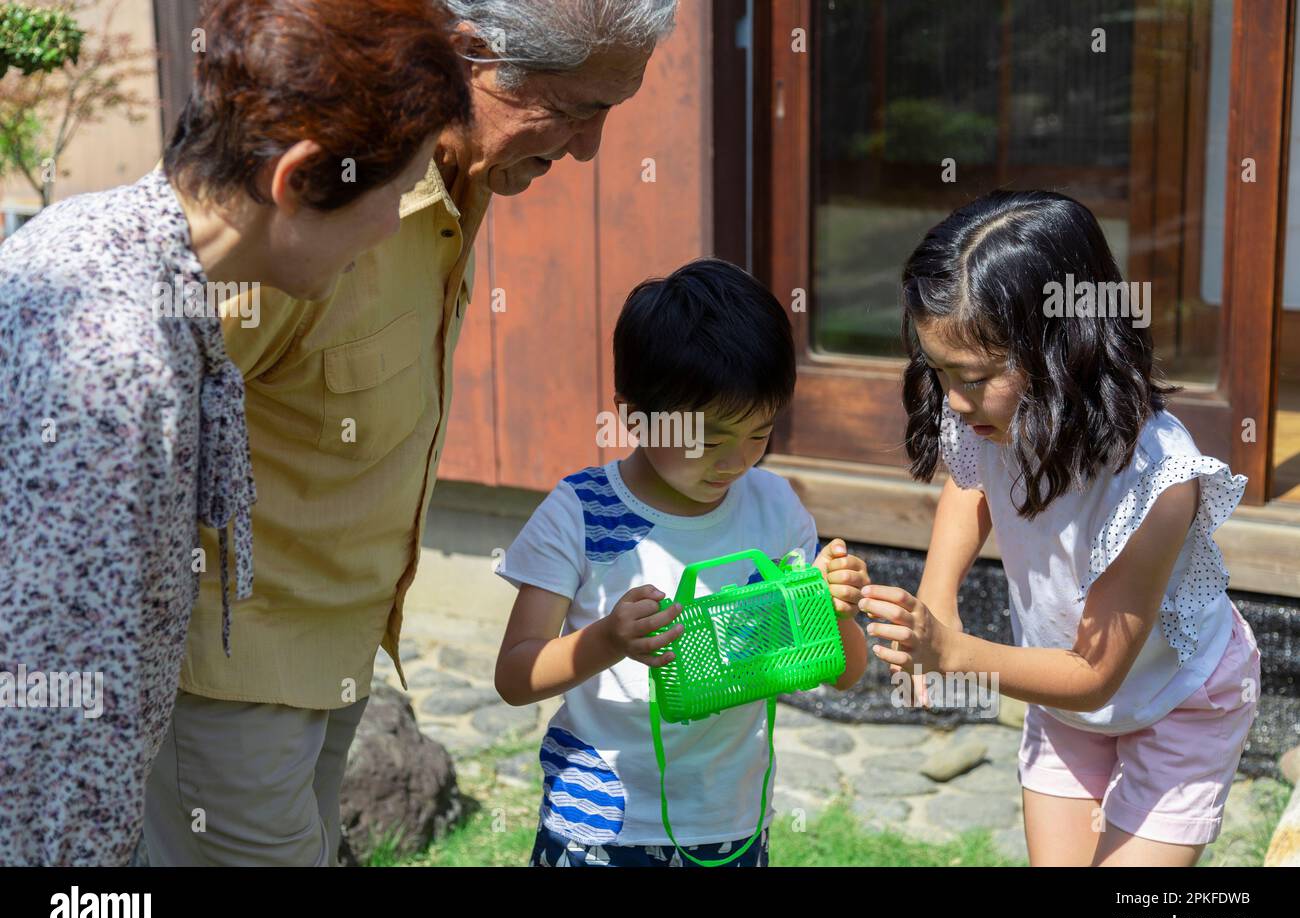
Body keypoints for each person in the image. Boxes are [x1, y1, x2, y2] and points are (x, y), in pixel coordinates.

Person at [144, 0, 680, 867]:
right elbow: (132, 454)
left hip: (342, 643)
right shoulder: (314, 207)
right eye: (580, 109)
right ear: (473, 58)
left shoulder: (465, 163)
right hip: (227, 681)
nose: (590, 149)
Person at [0, 0, 470, 867]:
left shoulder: (107, 241)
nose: (391, 230)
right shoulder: (118, 365)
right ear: (296, 179)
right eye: (394, 197)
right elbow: (49, 735)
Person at [861, 190, 1259, 866]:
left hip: (1178, 701)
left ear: (1064, 350)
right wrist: (938, 589)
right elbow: (970, 482)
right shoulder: (1000, 413)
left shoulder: (1158, 483)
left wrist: (954, 653)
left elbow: (1095, 673)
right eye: (940, 374)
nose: (955, 403)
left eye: (976, 377)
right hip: (1063, 703)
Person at [493, 258, 870, 867]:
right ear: (634, 415)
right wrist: (607, 640)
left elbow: (845, 673)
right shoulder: (581, 512)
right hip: (600, 824)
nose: (735, 461)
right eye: (709, 438)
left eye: (759, 432)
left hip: (729, 821)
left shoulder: (773, 507)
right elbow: (514, 676)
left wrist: (837, 608)